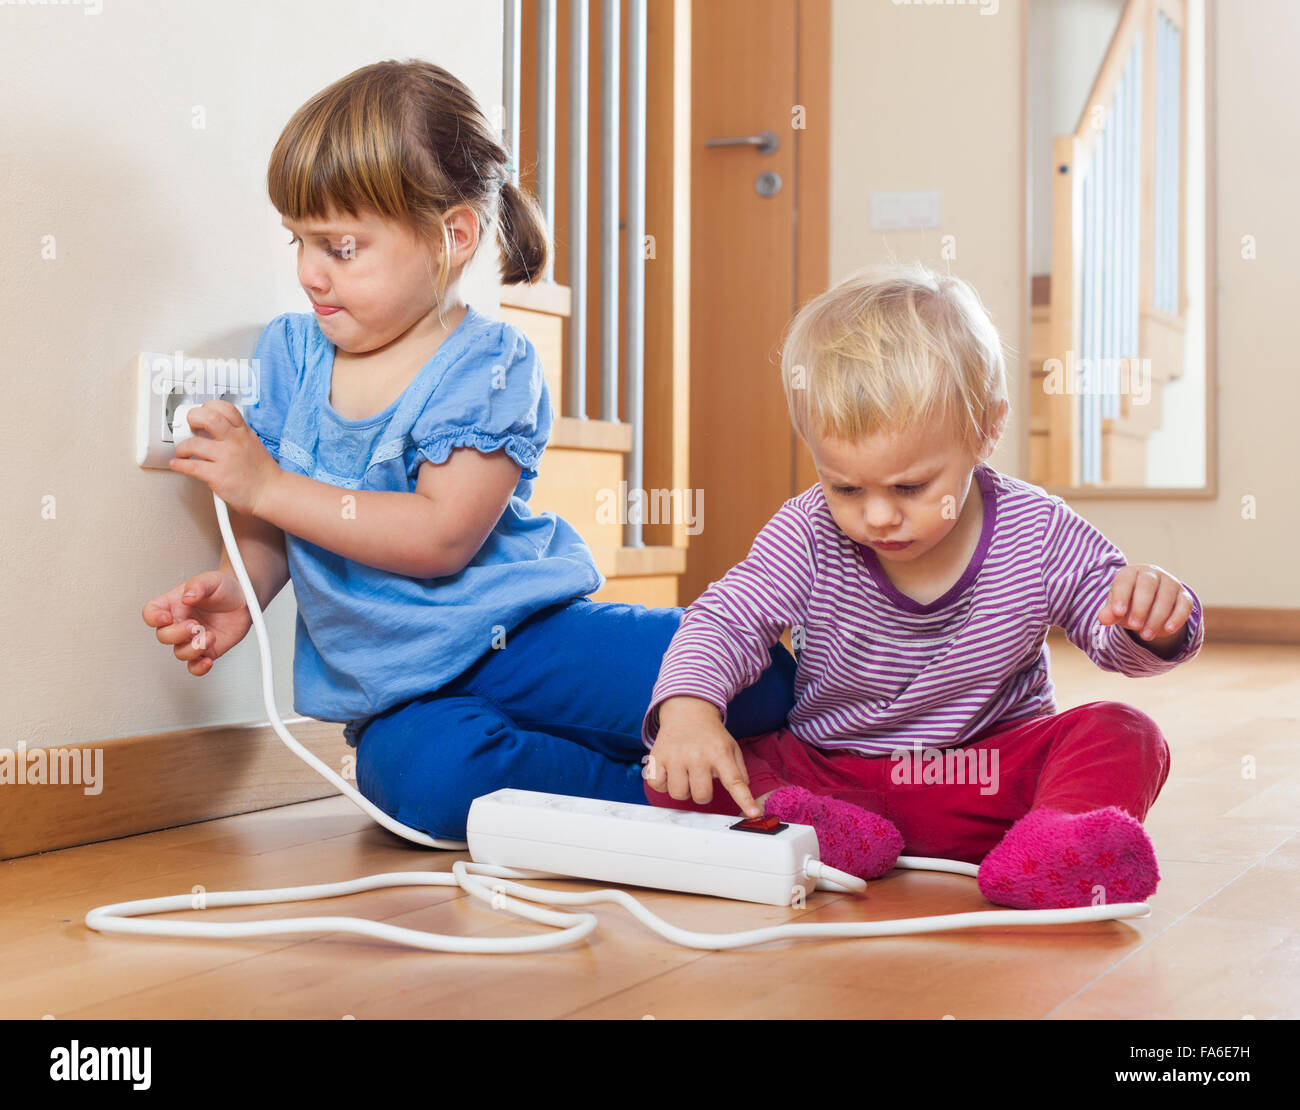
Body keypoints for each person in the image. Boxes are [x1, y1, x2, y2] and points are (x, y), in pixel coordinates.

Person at [141, 59, 794, 842]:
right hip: (406, 697)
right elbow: (276, 525)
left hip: (528, 639)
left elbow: (441, 537)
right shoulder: (291, 353)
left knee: (765, 683)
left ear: (453, 236)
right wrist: (239, 587)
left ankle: (744, 750)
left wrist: (268, 486)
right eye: (299, 241)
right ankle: (686, 799)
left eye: (340, 247)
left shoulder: (490, 364)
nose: (310, 272)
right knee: (421, 784)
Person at [641, 262, 1204, 910]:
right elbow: (728, 619)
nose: (877, 516)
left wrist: (1152, 622)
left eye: (910, 487)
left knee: (1125, 733)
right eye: (846, 486)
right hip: (833, 776)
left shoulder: (1038, 530)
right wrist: (688, 709)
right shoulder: (807, 531)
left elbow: (1110, 637)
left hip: (986, 778)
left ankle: (1059, 847)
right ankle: (804, 828)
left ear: (987, 431)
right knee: (678, 766)